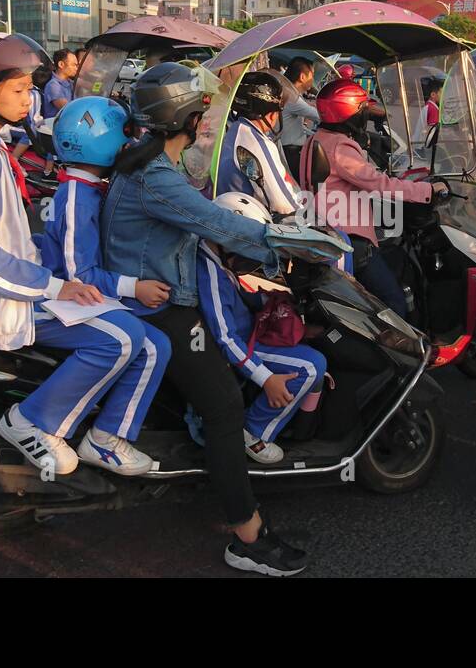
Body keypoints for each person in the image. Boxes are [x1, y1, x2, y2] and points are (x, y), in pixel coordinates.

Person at [102, 61, 327, 576]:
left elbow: (202, 215)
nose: (208, 123)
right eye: (203, 114)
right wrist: (288, 244)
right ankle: (247, 538)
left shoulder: (146, 163)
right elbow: (215, 222)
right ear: (187, 118)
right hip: (158, 308)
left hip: (156, 295)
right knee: (226, 410)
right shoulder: (156, 175)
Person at [0, 33, 162, 480]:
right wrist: (59, 285)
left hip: (26, 284)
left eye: (29, 87)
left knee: (149, 341)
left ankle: (107, 435)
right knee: (122, 337)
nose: (28, 98)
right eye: (17, 89)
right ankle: (33, 421)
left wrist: (49, 261)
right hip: (2, 301)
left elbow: (12, 238)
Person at [36, 96, 173, 475]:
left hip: (81, 295)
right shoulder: (78, 196)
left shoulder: (93, 186)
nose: (131, 141)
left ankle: (108, 433)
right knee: (135, 341)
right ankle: (69, 428)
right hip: (64, 300)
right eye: (125, 133)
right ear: (102, 139)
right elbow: (79, 273)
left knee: (156, 344)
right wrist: (134, 286)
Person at [197, 192, 328, 464]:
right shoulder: (208, 270)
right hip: (239, 347)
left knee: (314, 354)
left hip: (250, 336)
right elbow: (224, 336)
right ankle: (252, 432)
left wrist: (273, 300)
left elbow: (240, 299)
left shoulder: (218, 262)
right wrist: (265, 379)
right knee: (310, 367)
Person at [310, 78, 434, 317]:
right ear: (351, 112)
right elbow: (381, 184)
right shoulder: (340, 147)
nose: (366, 116)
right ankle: (404, 351)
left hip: (326, 228)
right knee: (393, 301)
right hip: (348, 241)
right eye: (363, 110)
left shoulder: (316, 139)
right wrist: (427, 191)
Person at [216, 71, 305, 216]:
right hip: (251, 224)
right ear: (271, 115)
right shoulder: (255, 142)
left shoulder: (236, 131)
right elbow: (284, 204)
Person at [278, 57, 321, 173]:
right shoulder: (292, 98)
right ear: (302, 77)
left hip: (286, 148)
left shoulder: (287, 91)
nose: (313, 80)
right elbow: (320, 116)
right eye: (312, 75)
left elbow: (297, 126)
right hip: (292, 153)